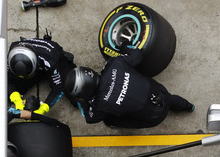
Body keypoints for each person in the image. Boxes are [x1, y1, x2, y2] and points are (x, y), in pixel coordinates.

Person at [65, 46, 194, 128]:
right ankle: (189, 107)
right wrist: (123, 46)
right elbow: (138, 54)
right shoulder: (115, 64)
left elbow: (89, 118)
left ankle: (115, 125)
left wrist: (83, 102)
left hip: (154, 119)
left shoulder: (100, 105)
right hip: (162, 93)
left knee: (109, 120)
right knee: (169, 99)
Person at [8, 33, 76, 115]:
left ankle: (66, 58)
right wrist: (16, 99)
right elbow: (6, 78)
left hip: (55, 58)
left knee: (75, 97)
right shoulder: (13, 52)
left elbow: (58, 88)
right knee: (7, 96)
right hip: (37, 65)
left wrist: (44, 108)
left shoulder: (52, 61)